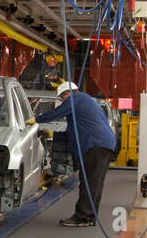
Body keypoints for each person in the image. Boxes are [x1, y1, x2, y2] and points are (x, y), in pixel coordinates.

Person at [36, 80, 115, 227]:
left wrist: (36, 120)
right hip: (103, 144)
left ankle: (82, 217)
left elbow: (57, 113)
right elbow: (72, 129)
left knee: (89, 182)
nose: (62, 102)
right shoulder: (86, 100)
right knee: (95, 183)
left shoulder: (76, 99)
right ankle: (90, 217)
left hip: (95, 145)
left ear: (67, 94)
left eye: (62, 99)